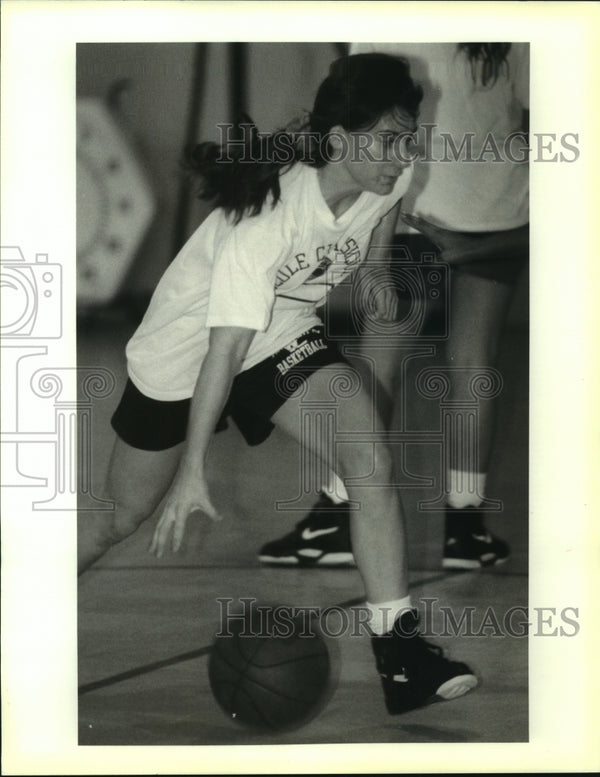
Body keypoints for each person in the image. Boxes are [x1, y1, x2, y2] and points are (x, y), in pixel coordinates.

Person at [78, 53, 478, 715]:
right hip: (187, 351)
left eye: (408, 137)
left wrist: (378, 281)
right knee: (118, 517)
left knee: (369, 458)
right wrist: (193, 470)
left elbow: (374, 248)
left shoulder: (390, 176)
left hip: (281, 330)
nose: (402, 152)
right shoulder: (266, 221)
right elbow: (220, 352)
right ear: (343, 139)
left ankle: (401, 655)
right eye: (387, 139)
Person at [259, 42, 529, 570]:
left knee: (378, 364)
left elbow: (360, 118)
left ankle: (337, 516)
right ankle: (465, 532)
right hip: (500, 206)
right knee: (475, 365)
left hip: (412, 206)